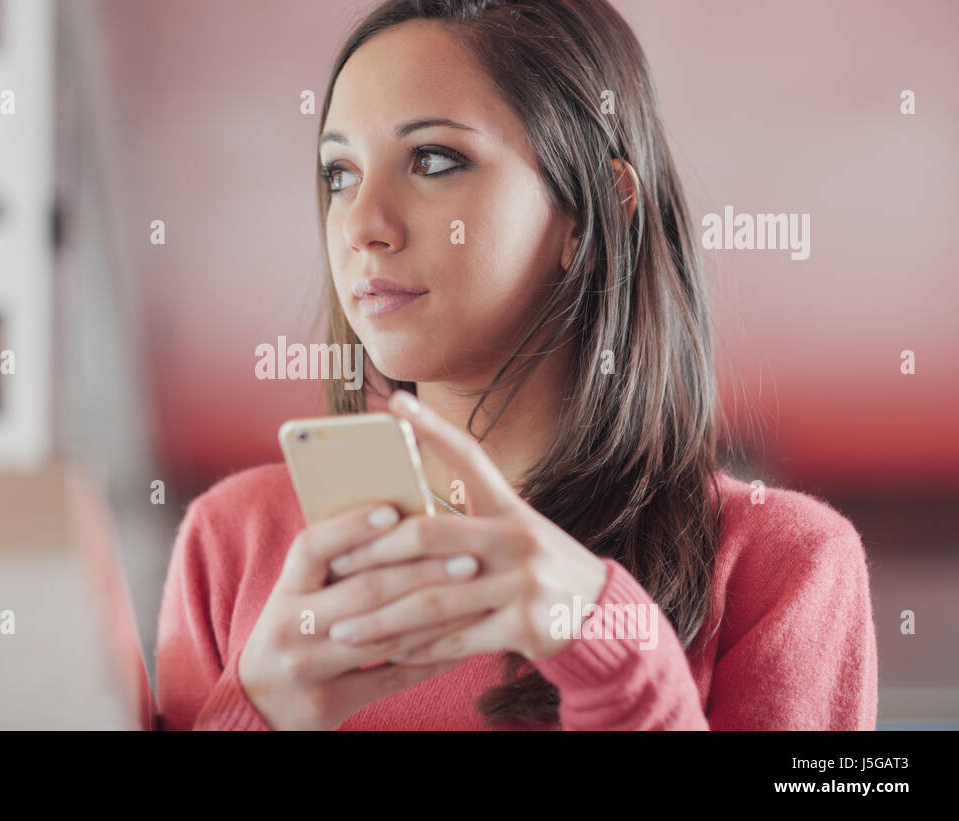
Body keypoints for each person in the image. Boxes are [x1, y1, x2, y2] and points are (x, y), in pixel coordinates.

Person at [154, 0, 877, 731]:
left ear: (593, 212)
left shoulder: (786, 566)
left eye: (433, 160)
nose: (363, 224)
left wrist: (613, 654)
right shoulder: (230, 544)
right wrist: (253, 712)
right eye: (338, 173)